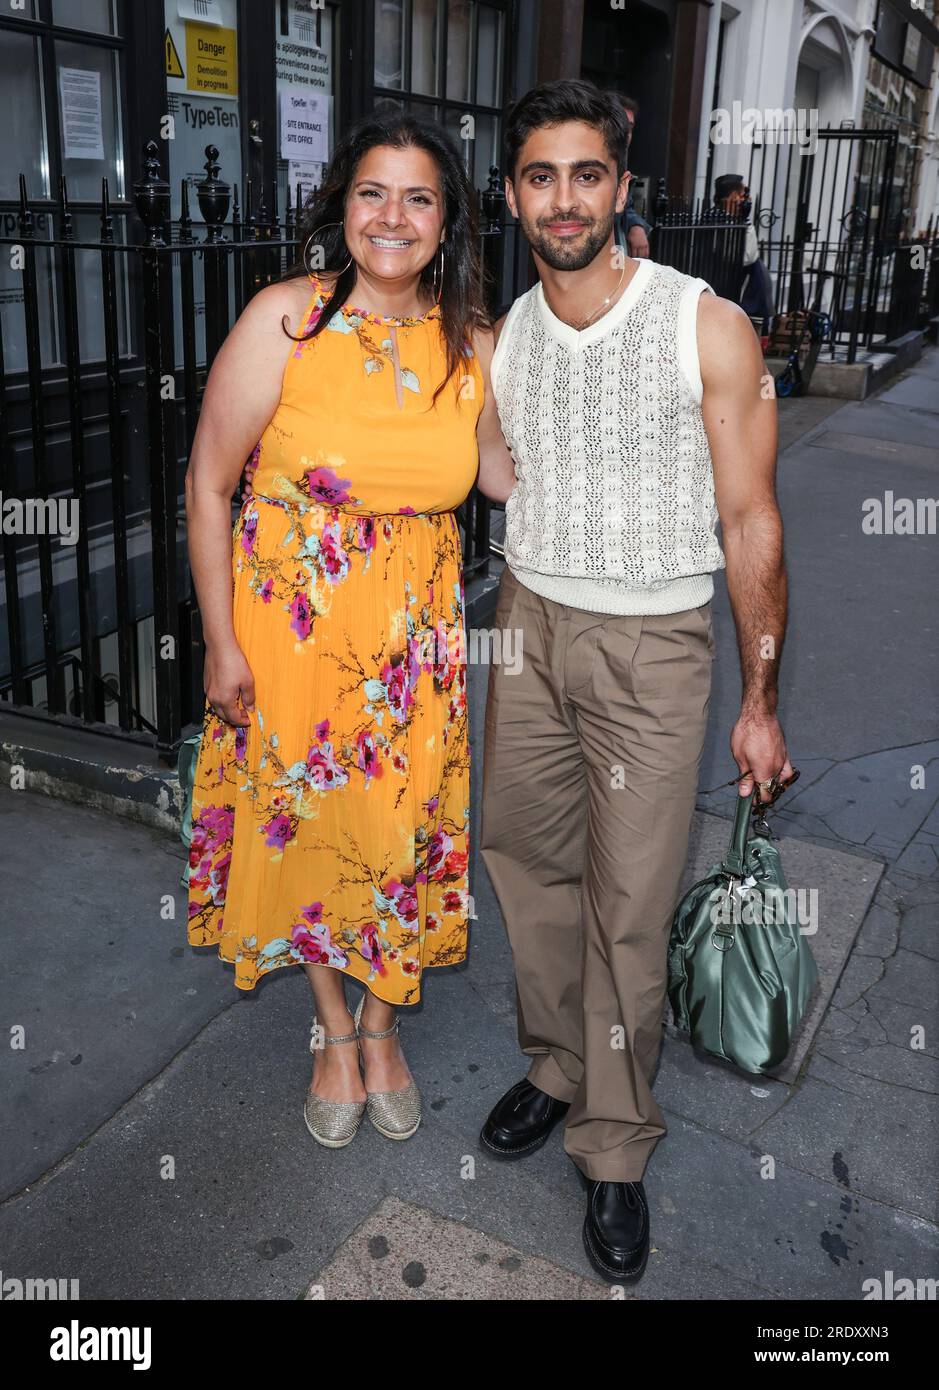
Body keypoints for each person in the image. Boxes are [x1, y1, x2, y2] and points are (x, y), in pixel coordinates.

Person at [477, 80, 794, 1284]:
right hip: (530, 621)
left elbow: (753, 518)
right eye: (541, 177)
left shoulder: (703, 325)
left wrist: (760, 699)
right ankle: (558, 1068)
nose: (566, 200)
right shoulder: (506, 332)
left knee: (629, 903)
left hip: (655, 642)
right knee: (529, 862)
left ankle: (614, 1146)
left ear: (623, 187)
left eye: (588, 175)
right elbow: (501, 476)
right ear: (515, 195)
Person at [184, 110, 515, 1150]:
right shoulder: (287, 319)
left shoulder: (477, 344)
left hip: (415, 643)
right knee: (312, 829)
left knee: (405, 830)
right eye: (374, 191)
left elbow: (508, 482)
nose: (393, 216)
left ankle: (383, 1024)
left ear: (448, 220)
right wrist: (218, 640)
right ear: (343, 206)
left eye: (420, 197)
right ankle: (331, 1031)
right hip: (288, 632)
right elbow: (206, 482)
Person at [714, 172, 774, 338]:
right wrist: (746, 223)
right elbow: (748, 257)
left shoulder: (729, 221)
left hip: (746, 296)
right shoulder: (725, 223)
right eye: (742, 195)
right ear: (733, 197)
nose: (745, 200)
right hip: (739, 296)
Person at [610, 93, 651, 258]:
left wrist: (636, 225)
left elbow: (627, 205)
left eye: (630, 127)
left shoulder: (622, 161)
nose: (626, 133)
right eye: (621, 125)